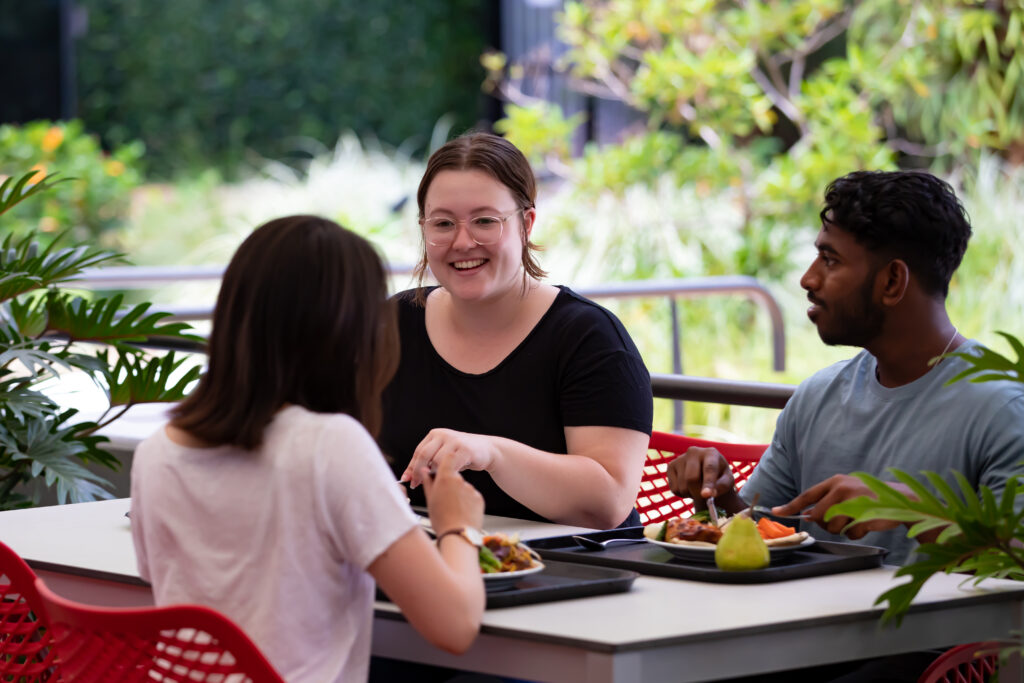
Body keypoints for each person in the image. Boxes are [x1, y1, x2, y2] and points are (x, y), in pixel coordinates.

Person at [130, 216, 486, 683]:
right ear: (348, 331)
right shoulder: (328, 445)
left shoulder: (157, 452)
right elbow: (455, 627)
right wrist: (459, 526)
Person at [668, 170, 1024, 566]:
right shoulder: (817, 397)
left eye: (830, 260)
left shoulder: (1004, 408)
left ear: (892, 281)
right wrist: (720, 493)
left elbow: (1016, 559)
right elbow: (764, 532)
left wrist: (914, 510)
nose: (808, 278)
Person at [379, 132, 653, 530]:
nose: (462, 241)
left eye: (486, 221)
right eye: (443, 223)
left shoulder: (589, 338)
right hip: (427, 567)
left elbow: (608, 501)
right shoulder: (393, 322)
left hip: (575, 573)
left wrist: (491, 453)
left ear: (526, 224)